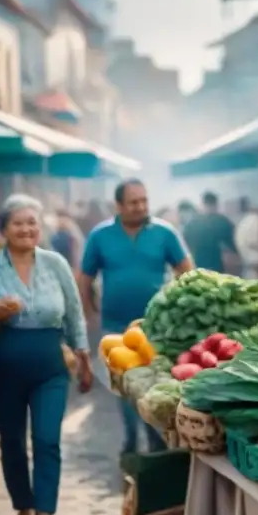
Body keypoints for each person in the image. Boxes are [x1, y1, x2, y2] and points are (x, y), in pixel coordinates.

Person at [0, 194, 93, 515]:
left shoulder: (56, 264)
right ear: (4, 229)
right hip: (3, 368)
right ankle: (22, 508)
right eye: (18, 223)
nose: (26, 229)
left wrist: (83, 359)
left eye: (32, 222)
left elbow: (73, 314)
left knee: (47, 438)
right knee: (11, 441)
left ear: (40, 227)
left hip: (50, 366)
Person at [79, 179, 193, 454]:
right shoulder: (100, 235)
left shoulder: (165, 233)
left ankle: (155, 441)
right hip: (115, 327)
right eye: (133, 202)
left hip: (156, 327)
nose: (140, 207)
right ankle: (131, 440)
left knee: (155, 384)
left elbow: (187, 273)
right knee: (125, 387)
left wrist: (180, 312)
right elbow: (84, 278)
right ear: (118, 205)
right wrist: (89, 314)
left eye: (144, 200)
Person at [183, 191, 238, 273]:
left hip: (197, 266)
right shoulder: (221, 221)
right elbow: (232, 245)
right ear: (215, 205)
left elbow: (185, 245)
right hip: (216, 266)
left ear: (203, 204)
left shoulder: (192, 223)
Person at [49, 209, 85, 275]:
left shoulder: (72, 235)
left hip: (69, 267)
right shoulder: (54, 234)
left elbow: (76, 253)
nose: (61, 222)